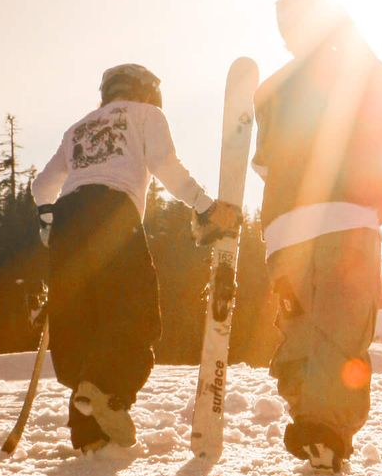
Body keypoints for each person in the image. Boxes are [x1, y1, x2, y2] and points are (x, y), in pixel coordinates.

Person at [253, 0, 382, 470]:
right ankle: (324, 426)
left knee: (298, 328)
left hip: (283, 226)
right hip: (346, 214)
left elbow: (264, 166)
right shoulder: (360, 67)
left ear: (286, 34)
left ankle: (310, 419)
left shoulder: (270, 89)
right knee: (343, 326)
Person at [32, 63, 238, 452]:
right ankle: (106, 390)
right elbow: (164, 165)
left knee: (81, 325)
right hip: (111, 212)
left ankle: (91, 435)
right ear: (145, 91)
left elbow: (42, 185)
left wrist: (47, 224)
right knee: (133, 312)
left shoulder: (77, 128)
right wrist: (205, 208)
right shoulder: (147, 115)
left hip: (67, 218)